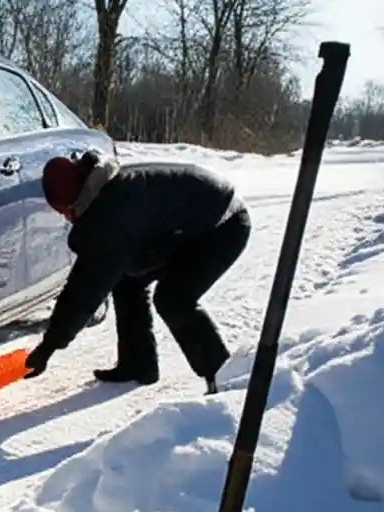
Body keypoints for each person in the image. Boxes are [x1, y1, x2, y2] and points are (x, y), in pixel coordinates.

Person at [24, 150, 250, 394]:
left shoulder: (114, 211)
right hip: (186, 223)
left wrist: (49, 346)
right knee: (126, 278)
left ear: (74, 200)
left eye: (65, 211)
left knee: (173, 299)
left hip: (224, 224)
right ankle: (138, 364)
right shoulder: (102, 187)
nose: (66, 218)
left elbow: (85, 288)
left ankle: (222, 378)